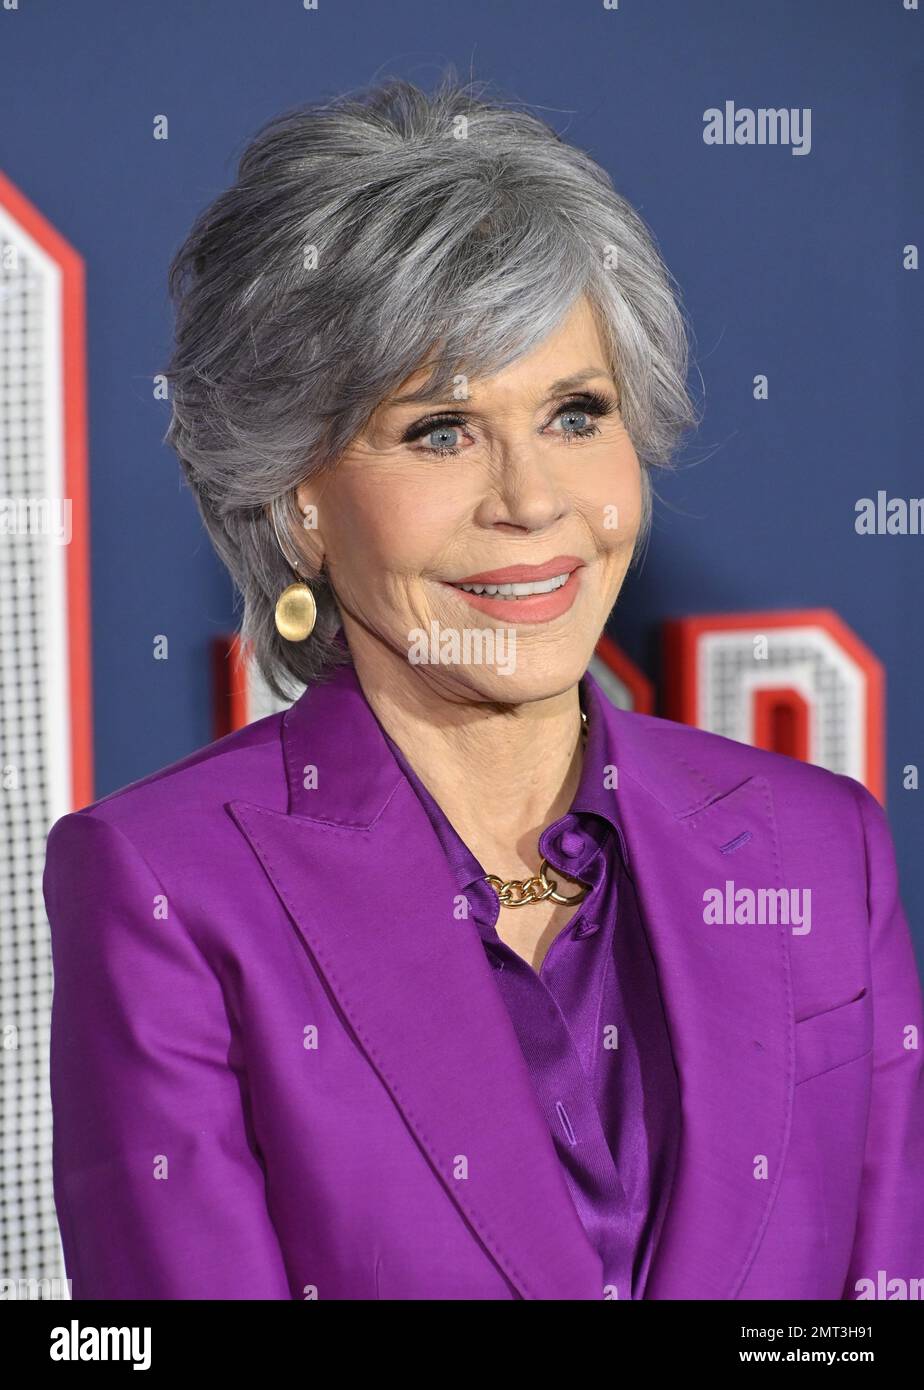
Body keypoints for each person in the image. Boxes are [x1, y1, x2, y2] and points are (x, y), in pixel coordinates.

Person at [43, 73, 924, 1300]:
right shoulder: (169, 893)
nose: (530, 501)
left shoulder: (820, 851)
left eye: (575, 412)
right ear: (299, 501)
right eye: (441, 429)